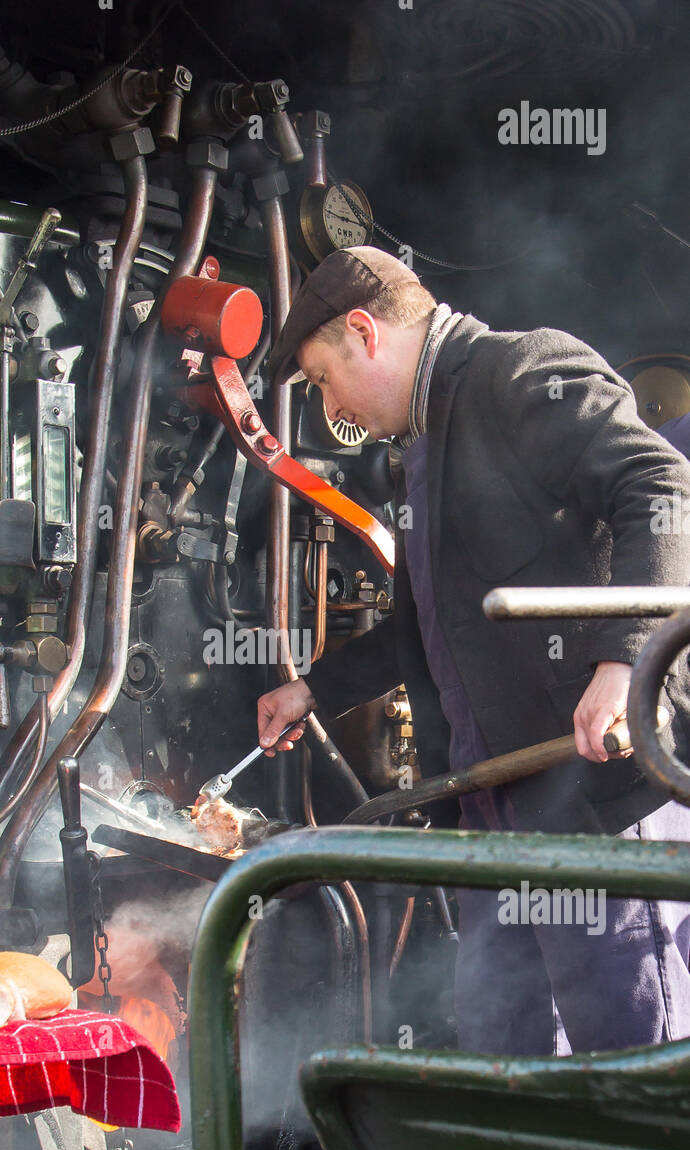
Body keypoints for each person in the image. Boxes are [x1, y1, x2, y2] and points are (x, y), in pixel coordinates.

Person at [256, 245, 690, 1056]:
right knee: (504, 1046)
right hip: (490, 814)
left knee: (631, 1055)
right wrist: (315, 688)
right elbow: (432, 625)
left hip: (588, 801)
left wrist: (624, 661)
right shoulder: (419, 452)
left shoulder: (520, 371)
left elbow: (659, 487)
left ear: (365, 331)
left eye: (322, 378)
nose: (333, 406)